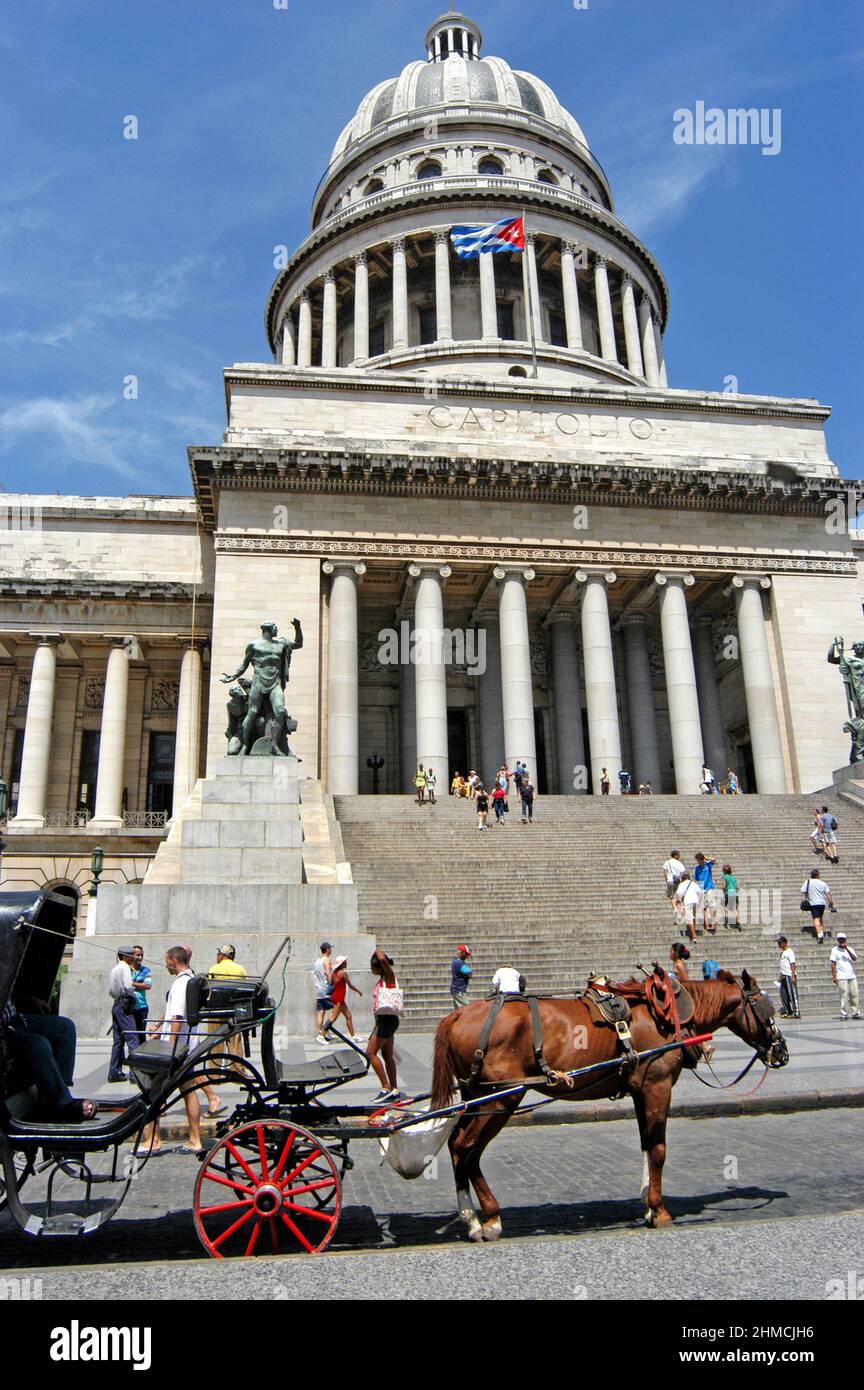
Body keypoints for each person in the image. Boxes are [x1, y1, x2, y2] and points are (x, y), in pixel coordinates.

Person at [142, 946, 202, 1154]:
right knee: (189, 1091)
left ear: (173, 960)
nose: (165, 964)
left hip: (176, 1050)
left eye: (167, 960)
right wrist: (160, 1028)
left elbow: (177, 1017)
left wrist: (170, 1046)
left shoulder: (179, 985)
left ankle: (153, 1140)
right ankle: (195, 1139)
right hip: (188, 1046)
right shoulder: (191, 980)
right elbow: (172, 1014)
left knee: (155, 1092)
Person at [0, 998, 97, 1123]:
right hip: (4, 1031)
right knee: (37, 1044)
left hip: (15, 1020)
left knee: (66, 1027)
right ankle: (63, 1105)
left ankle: (59, 1097)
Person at [366, 950, 402, 1101]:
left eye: (372, 966)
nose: (370, 969)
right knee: (387, 1056)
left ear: (380, 967)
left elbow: (381, 957)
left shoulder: (389, 977)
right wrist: (373, 1030)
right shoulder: (382, 979)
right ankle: (394, 1090)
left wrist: (376, 951)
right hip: (384, 1020)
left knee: (370, 1053)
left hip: (388, 1021)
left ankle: (385, 1087)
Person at [208, 945, 247, 1072]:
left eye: (218, 954)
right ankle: (237, 1072)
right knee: (235, 1042)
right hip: (234, 1010)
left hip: (216, 1011)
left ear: (222, 955)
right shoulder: (240, 969)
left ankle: (214, 1074)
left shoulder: (215, 968)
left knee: (215, 1042)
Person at [108, 948, 138, 1083]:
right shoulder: (125, 968)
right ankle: (134, 1074)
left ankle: (114, 1072)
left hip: (116, 1004)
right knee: (133, 1039)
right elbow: (128, 986)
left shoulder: (115, 968)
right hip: (125, 1005)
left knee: (118, 1041)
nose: (133, 957)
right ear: (125, 956)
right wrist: (133, 995)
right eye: (131, 955)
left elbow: (111, 991)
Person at [328, 955, 365, 1042]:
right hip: (339, 998)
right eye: (345, 961)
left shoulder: (334, 973)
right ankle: (322, 1034)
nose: (346, 963)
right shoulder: (343, 973)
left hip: (337, 997)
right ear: (341, 964)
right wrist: (359, 991)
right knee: (333, 1017)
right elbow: (350, 985)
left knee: (348, 1016)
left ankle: (353, 1037)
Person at [830, 933, 859, 1020]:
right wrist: (834, 976)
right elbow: (833, 963)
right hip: (841, 976)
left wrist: (846, 948)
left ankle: (855, 1013)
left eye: (843, 939)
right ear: (838, 940)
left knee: (854, 995)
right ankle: (844, 1014)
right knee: (843, 996)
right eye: (840, 939)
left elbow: (854, 958)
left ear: (845, 939)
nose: (841, 941)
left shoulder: (850, 949)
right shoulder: (834, 950)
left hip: (852, 975)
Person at [801, 869, 833, 943]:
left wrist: (810, 892)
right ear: (818, 875)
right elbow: (828, 894)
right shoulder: (823, 883)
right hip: (822, 903)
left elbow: (803, 890)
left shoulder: (808, 882)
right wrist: (831, 903)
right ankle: (821, 931)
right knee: (820, 918)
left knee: (816, 919)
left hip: (813, 903)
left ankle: (819, 934)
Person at [313, 942, 334, 1044]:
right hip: (325, 989)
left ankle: (321, 1032)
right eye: (330, 948)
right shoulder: (326, 960)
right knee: (335, 1010)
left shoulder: (317, 961)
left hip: (318, 990)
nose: (331, 950)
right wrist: (331, 985)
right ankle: (324, 1032)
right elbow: (328, 973)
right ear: (327, 950)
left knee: (321, 1011)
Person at [692, 852, 719, 933]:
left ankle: (713, 924)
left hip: (709, 888)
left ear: (702, 859)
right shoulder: (696, 868)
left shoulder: (707, 864)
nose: (698, 862)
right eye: (697, 860)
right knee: (704, 908)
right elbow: (695, 880)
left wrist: (707, 858)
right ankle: (706, 924)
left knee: (712, 906)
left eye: (699, 860)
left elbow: (714, 860)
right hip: (701, 889)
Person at [130, 946, 152, 1047]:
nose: (140, 957)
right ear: (131, 955)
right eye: (138, 955)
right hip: (129, 1007)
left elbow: (147, 985)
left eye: (141, 955)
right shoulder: (126, 969)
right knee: (130, 1035)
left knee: (141, 1034)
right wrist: (139, 984)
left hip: (141, 1007)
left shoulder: (146, 970)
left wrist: (131, 983)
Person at [674, 872, 703, 943]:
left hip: (688, 902)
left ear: (682, 878)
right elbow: (700, 892)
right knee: (694, 917)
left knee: (689, 919)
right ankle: (694, 930)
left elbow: (678, 894)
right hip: (695, 901)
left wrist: (680, 901)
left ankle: (694, 935)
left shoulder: (681, 884)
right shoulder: (693, 883)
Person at [776, 936, 800, 1019]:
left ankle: (796, 1011)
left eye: (780, 943)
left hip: (789, 975)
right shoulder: (782, 953)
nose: (779, 945)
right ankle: (788, 1010)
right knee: (783, 994)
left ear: (785, 943)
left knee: (792, 994)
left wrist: (793, 976)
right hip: (783, 976)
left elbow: (792, 964)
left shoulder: (790, 952)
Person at [662, 850, 686, 918]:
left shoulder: (667, 862)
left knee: (672, 897)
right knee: (678, 896)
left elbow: (665, 872)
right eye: (678, 855)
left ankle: (675, 909)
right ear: (675, 855)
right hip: (678, 881)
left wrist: (667, 881)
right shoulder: (679, 863)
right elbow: (683, 873)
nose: (679, 857)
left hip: (670, 881)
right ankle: (679, 911)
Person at [450, 945, 473, 1009]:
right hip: (459, 990)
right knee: (468, 1009)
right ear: (462, 952)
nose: (467, 957)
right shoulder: (459, 963)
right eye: (466, 954)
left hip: (455, 990)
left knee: (459, 1011)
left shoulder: (454, 962)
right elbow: (469, 974)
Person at [722, 864, 740, 929]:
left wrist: (724, 893)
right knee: (734, 909)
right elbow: (736, 886)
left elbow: (723, 887)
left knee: (723, 905)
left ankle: (726, 917)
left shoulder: (724, 877)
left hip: (728, 893)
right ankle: (737, 921)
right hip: (734, 893)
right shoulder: (733, 877)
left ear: (724, 870)